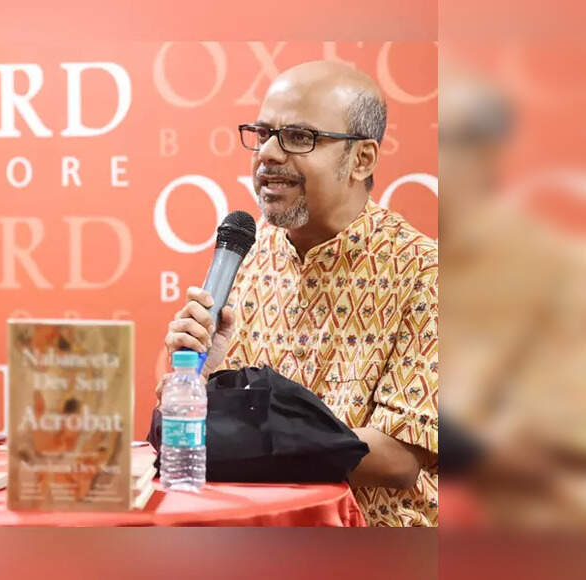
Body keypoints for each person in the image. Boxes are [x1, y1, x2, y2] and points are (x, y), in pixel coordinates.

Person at [163, 61, 438, 526]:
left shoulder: (424, 272)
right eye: (263, 133)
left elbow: (398, 459)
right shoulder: (249, 256)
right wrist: (198, 379)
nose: (268, 153)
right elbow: (204, 435)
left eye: (297, 137)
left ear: (362, 159)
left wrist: (261, 438)